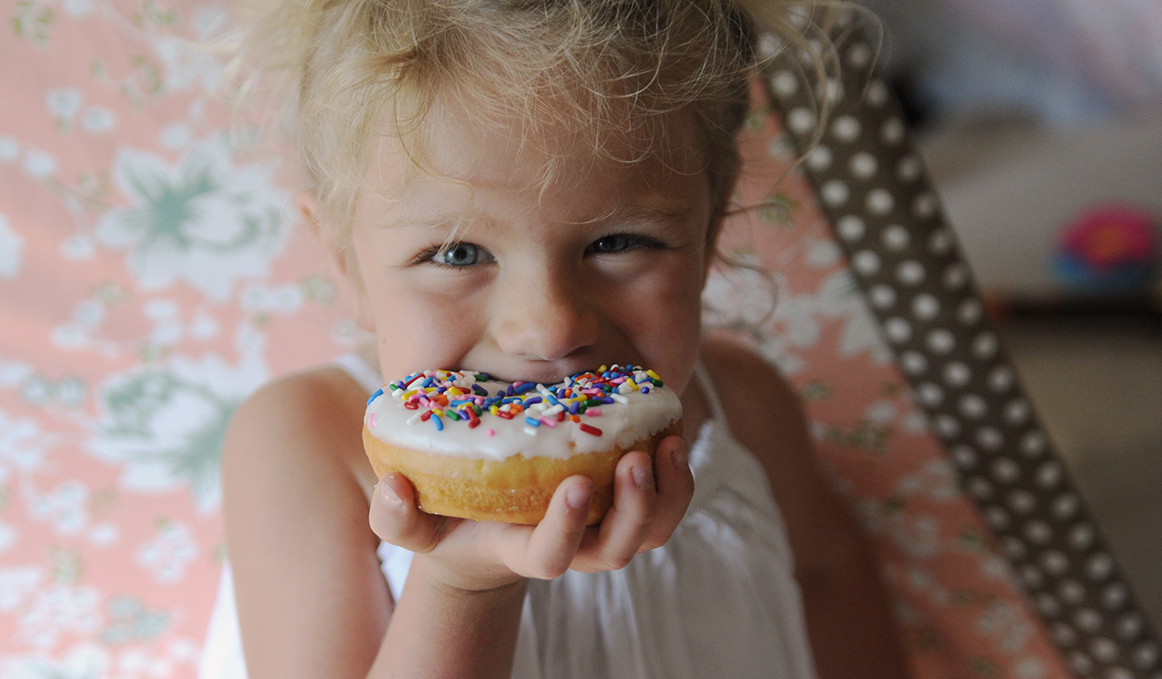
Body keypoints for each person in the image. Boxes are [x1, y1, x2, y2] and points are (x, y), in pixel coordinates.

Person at [204, 1, 911, 677]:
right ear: (344, 262)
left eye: (618, 241)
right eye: (456, 254)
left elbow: (827, 578)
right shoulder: (305, 442)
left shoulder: (746, 407)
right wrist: (464, 581)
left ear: (709, 228)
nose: (548, 326)